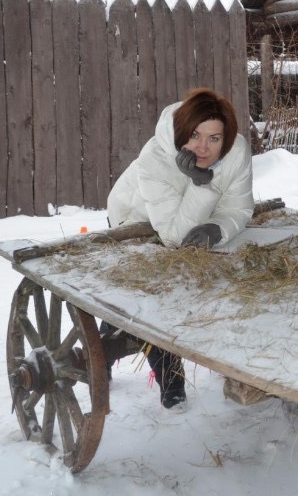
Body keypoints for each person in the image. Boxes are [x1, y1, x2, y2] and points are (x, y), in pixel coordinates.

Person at [105, 87, 254, 408]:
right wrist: (201, 183)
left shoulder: (237, 151)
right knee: (150, 293)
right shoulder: (154, 160)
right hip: (135, 222)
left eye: (215, 139)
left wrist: (218, 228)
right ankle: (168, 373)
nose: (203, 147)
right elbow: (173, 237)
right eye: (195, 135)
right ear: (182, 130)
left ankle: (106, 326)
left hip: (191, 220)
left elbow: (238, 209)